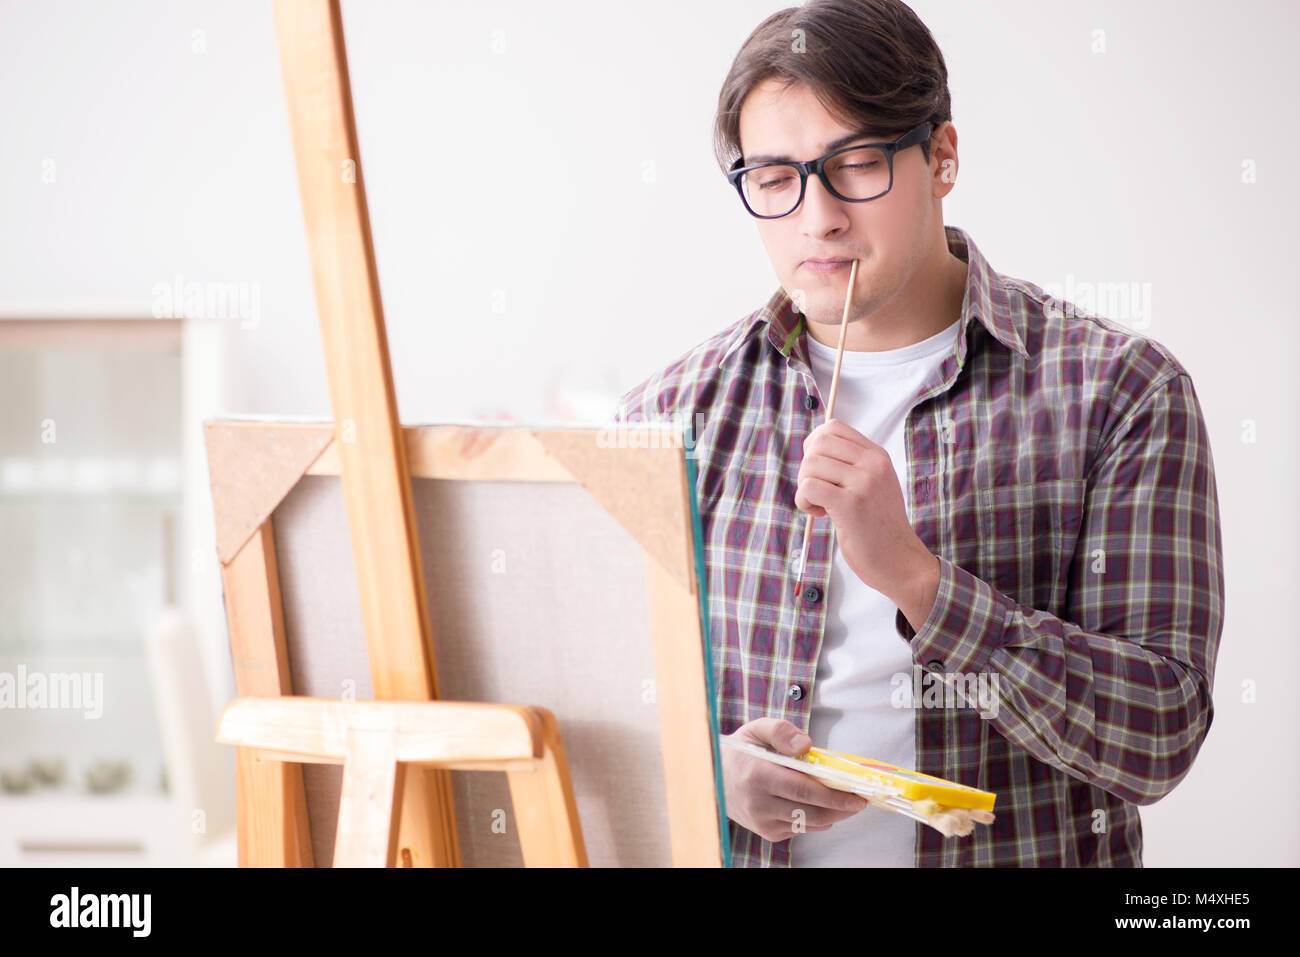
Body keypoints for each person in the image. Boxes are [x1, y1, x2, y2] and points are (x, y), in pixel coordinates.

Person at [613, 0, 1224, 867]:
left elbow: (1157, 739)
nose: (816, 218)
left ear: (943, 158)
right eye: (775, 178)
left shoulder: (1120, 391)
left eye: (856, 164)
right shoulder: (670, 415)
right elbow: (599, 717)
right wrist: (708, 771)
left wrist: (918, 579)